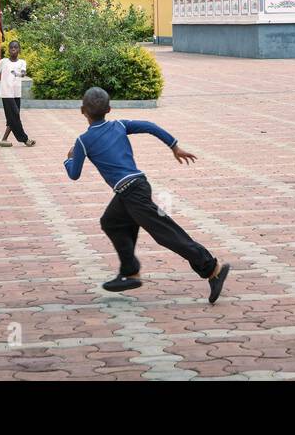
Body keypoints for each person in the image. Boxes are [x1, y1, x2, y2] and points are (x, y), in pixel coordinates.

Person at [64, 87, 230, 303]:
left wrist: (69, 158)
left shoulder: (83, 141)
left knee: (165, 232)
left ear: (82, 110)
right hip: (135, 187)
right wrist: (174, 146)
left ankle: (211, 268)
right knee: (111, 222)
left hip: (132, 193)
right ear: (109, 109)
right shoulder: (120, 125)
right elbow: (150, 126)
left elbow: (74, 174)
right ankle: (130, 272)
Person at [0, 39, 35, 147]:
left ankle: (4, 139)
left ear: (19, 50)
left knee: (13, 117)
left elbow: (23, 72)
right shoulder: (3, 62)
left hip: (16, 93)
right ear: (8, 50)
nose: (13, 49)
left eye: (15, 47)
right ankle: (25, 139)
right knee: (15, 114)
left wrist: (22, 73)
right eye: (11, 47)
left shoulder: (22, 62)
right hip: (6, 93)